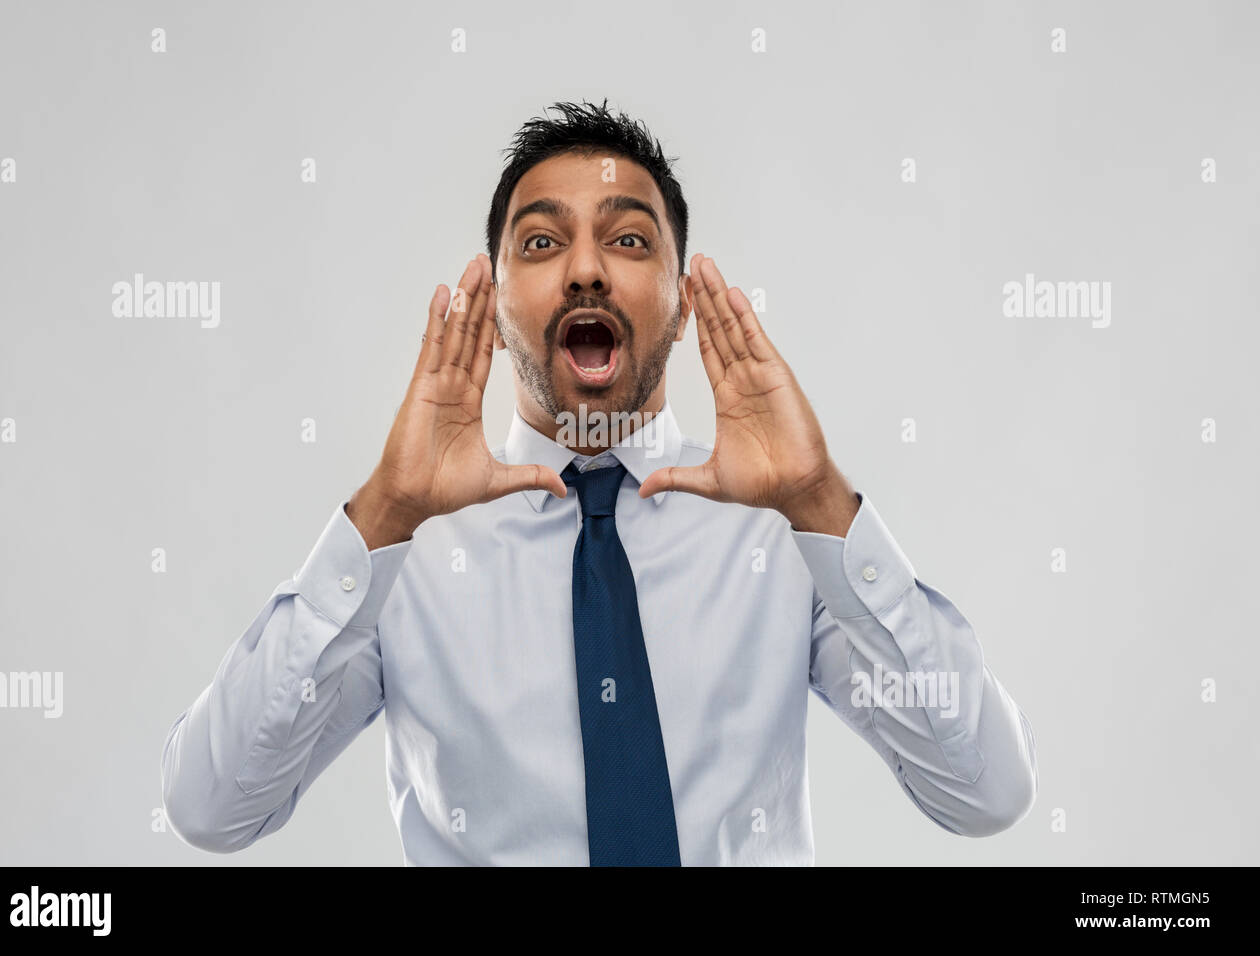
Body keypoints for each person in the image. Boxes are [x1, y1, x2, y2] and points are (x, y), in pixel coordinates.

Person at [160, 99, 1038, 866]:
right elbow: (213, 811)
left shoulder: (781, 536)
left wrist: (819, 504)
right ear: (496, 309)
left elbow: (985, 792)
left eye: (627, 239)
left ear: (683, 301)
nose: (586, 269)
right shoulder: (404, 555)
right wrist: (383, 516)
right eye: (542, 242)